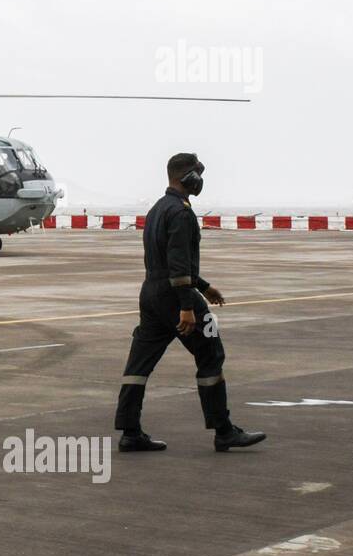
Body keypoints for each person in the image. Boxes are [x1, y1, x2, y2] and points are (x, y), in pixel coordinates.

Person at [114, 152, 266, 453]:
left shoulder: (158, 209)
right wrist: (188, 305)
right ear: (188, 178)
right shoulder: (182, 213)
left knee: (139, 364)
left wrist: (205, 286)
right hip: (177, 297)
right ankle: (223, 431)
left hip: (151, 295)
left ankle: (130, 432)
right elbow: (179, 264)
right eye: (198, 174)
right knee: (211, 354)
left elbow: (168, 262)